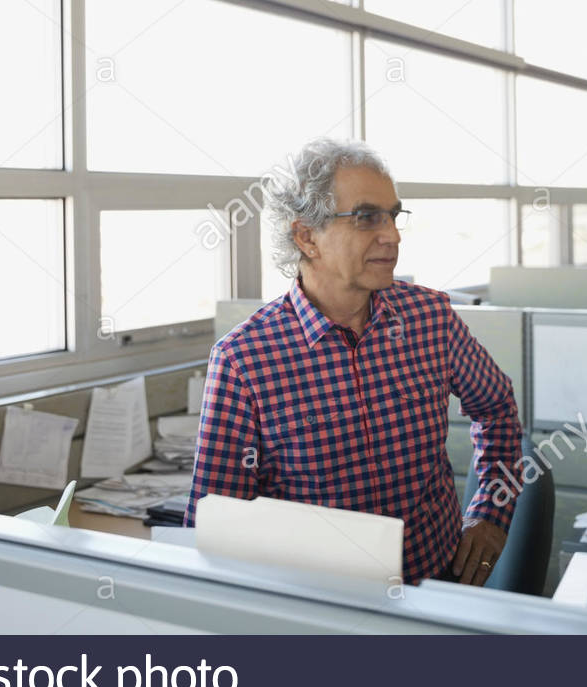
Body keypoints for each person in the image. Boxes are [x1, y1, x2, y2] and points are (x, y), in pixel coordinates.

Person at [185, 137, 523, 586]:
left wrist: (491, 513)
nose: (393, 235)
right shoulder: (244, 360)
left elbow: (496, 408)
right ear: (306, 236)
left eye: (393, 215)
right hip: (321, 612)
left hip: (437, 590)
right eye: (367, 218)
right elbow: (215, 525)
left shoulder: (430, 319)